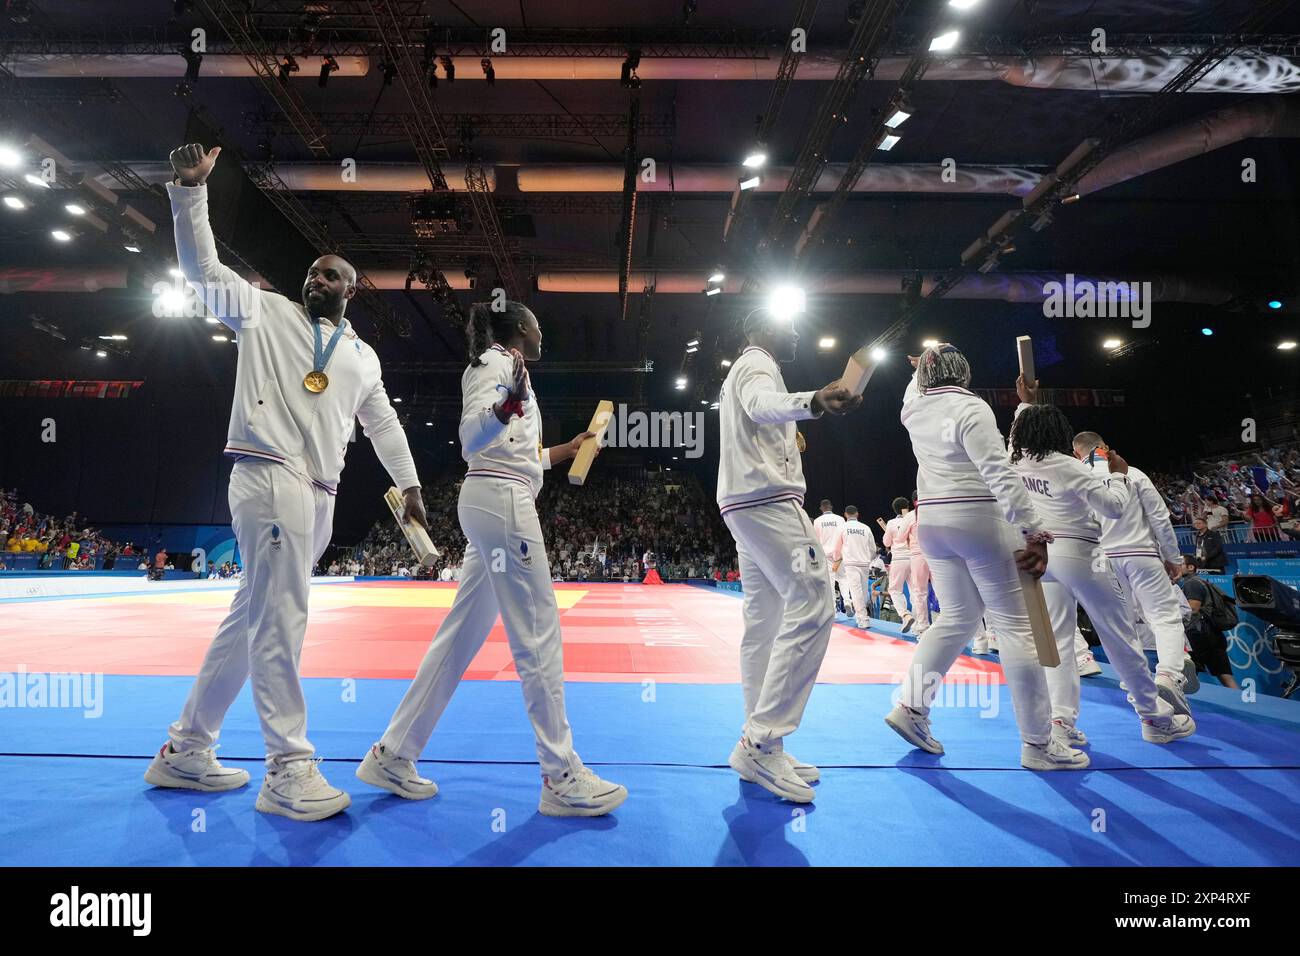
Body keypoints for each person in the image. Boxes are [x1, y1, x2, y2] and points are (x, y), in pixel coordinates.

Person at [144, 142, 426, 823]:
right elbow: (203, 271)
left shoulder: (361, 357)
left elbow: (383, 426)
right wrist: (190, 193)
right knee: (281, 622)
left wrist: (410, 485)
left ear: (351, 290)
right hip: (270, 478)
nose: (316, 281)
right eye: (311, 273)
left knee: (250, 623)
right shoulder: (264, 313)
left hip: (318, 498)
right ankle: (288, 770)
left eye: (331, 277)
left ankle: (186, 749)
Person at [363, 301, 626, 817]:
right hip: (502, 504)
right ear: (523, 328)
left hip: (496, 497)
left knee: (460, 637)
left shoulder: (508, 368)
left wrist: (565, 450)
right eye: (540, 325)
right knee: (538, 631)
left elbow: (513, 453)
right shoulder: (496, 363)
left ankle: (393, 754)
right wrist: (507, 407)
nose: (544, 332)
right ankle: (561, 774)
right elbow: (470, 438)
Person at [884, 345, 1084, 771]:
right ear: (966, 374)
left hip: (933, 524)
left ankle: (911, 706)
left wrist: (920, 366)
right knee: (1016, 629)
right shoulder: (972, 409)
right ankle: (1038, 744)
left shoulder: (912, 408)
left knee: (956, 618)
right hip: (977, 516)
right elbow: (1000, 472)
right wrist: (1032, 529)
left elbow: (912, 389)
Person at [716, 307, 862, 803]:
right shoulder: (758, 363)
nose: (797, 330)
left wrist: (804, 409)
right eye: (789, 323)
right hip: (768, 502)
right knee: (816, 601)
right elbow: (761, 405)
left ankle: (765, 741)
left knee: (765, 622)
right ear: (759, 326)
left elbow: (762, 411)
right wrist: (814, 400)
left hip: (744, 503)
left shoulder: (747, 367)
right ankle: (760, 739)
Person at [1007, 395, 1193, 747]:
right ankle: (1153, 716)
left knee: (1055, 643)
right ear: (1057, 434)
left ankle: (1060, 722)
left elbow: (1015, 437)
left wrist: (1024, 405)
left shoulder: (1013, 463)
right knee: (1118, 635)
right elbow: (1113, 508)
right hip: (1079, 552)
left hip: (1034, 556)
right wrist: (1119, 477)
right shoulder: (1066, 465)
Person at [1073, 430, 1192, 718]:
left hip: (1101, 560)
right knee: (1164, 616)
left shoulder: (1077, 479)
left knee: (1122, 625)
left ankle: (1132, 683)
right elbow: (1159, 516)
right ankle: (1169, 676)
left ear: (1078, 454)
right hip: (1140, 554)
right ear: (1105, 447)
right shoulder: (1134, 474)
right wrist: (1173, 558)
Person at [1179, 555, 1240, 689]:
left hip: (1199, 636)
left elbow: (1193, 609)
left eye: (1180, 563)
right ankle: (1243, 704)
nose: (1177, 566)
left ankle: (1182, 704)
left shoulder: (1192, 583)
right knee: (1225, 676)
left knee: (1184, 673)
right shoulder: (1200, 582)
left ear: (1190, 567)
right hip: (1213, 635)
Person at [881, 497, 931, 633]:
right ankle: (918, 626)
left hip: (899, 559)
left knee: (894, 590)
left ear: (894, 509)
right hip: (915, 558)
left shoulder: (891, 523)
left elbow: (886, 543)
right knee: (916, 592)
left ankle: (905, 615)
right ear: (907, 506)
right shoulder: (915, 517)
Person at [828, 505, 877, 628]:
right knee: (864, 591)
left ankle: (863, 618)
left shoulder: (842, 528)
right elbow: (873, 549)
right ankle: (862, 614)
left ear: (845, 515)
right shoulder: (865, 528)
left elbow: (836, 548)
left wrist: (836, 559)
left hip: (850, 563)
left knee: (856, 591)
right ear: (857, 514)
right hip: (864, 563)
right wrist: (869, 559)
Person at [812, 500, 850, 616]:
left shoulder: (817, 521)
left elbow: (815, 540)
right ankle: (847, 601)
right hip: (838, 555)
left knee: (830, 582)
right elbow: (845, 537)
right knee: (843, 578)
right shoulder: (840, 519)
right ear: (831, 507)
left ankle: (834, 610)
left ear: (821, 508)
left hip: (826, 555)